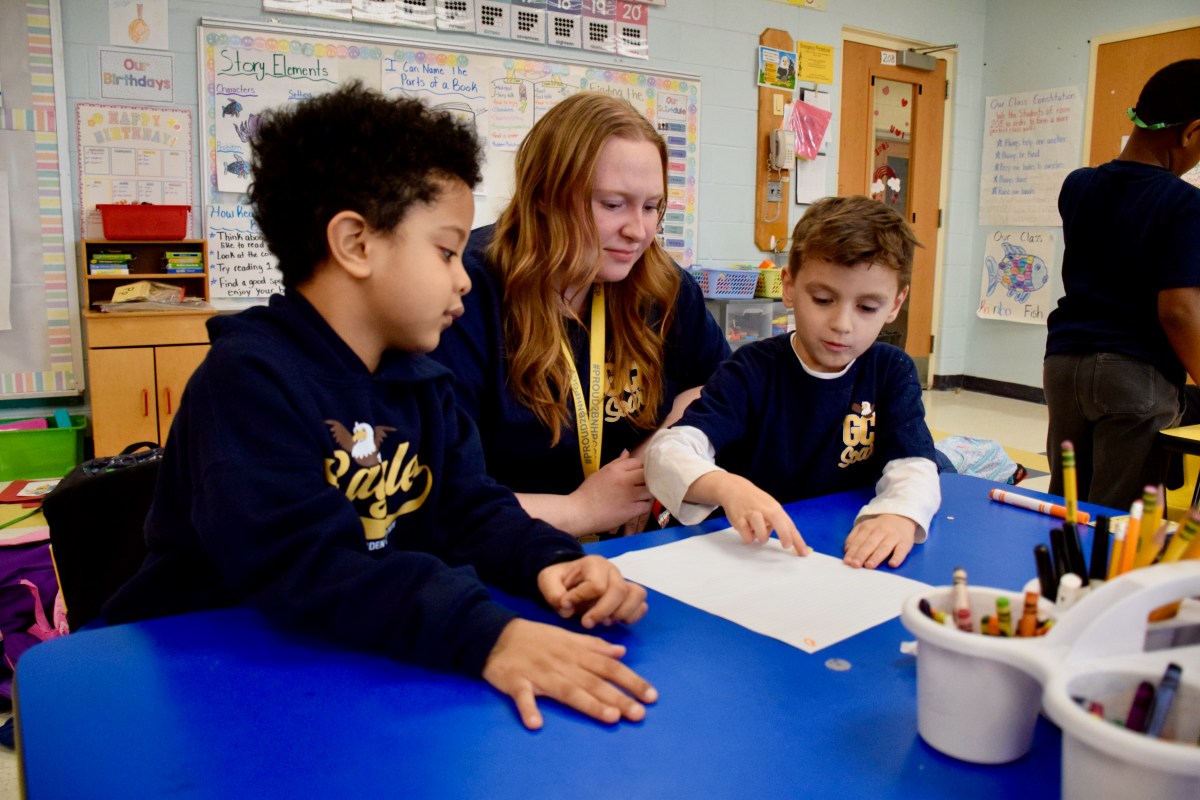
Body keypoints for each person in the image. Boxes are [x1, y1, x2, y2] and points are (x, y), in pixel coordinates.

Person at [103, 82, 657, 732]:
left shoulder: (421, 378)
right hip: (203, 678)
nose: (462, 276)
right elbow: (308, 567)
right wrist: (488, 636)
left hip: (352, 668)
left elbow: (472, 512)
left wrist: (554, 562)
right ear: (357, 244)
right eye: (447, 251)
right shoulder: (248, 380)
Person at [430, 92, 730, 539]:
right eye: (612, 205)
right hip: (509, 545)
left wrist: (657, 456)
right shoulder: (465, 290)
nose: (638, 231)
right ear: (546, 197)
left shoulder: (662, 284)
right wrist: (581, 510)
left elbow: (718, 387)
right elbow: (439, 492)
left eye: (651, 207)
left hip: (636, 545)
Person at [645, 195, 940, 569]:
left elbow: (914, 464)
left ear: (896, 303)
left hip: (835, 553)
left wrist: (900, 515)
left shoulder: (891, 370)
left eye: (867, 308)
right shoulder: (752, 369)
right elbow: (667, 452)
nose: (842, 324)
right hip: (750, 555)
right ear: (788, 286)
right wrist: (729, 488)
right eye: (822, 299)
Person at [1043, 59, 1200, 511]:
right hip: (1135, 375)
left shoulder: (1078, 185)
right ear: (1190, 133)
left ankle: (1060, 582)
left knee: (1068, 505)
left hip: (1064, 367)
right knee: (1118, 516)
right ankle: (1104, 584)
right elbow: (1177, 310)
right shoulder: (1185, 203)